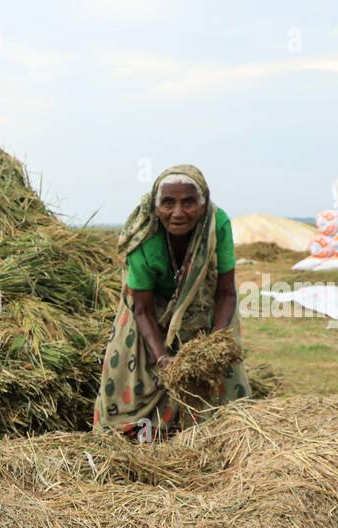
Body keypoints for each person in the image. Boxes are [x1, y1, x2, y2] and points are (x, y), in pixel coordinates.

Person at [93, 164, 250, 438]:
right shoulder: (144, 237)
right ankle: (137, 434)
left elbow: (226, 292)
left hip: (202, 299)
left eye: (188, 202)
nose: (178, 213)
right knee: (133, 368)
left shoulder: (217, 224)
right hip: (148, 305)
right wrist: (163, 357)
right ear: (156, 207)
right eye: (168, 203)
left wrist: (214, 344)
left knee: (219, 376)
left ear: (202, 205)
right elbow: (141, 309)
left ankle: (216, 435)